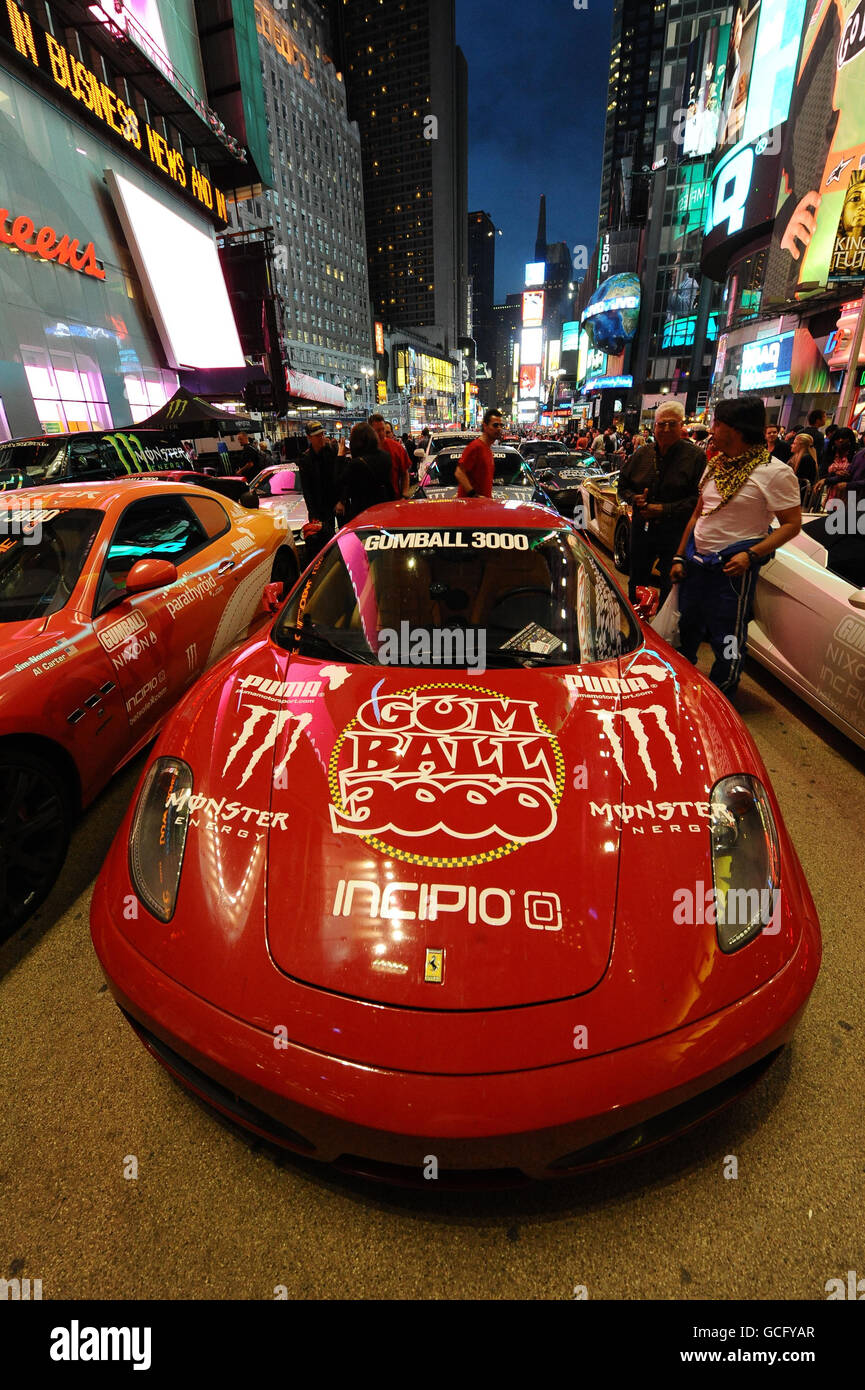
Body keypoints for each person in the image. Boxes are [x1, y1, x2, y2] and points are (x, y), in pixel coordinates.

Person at [670, 397, 802, 698]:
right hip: (696, 565)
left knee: (727, 635)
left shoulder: (775, 472)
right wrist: (680, 554)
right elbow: (698, 514)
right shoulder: (715, 464)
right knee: (686, 627)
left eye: (718, 423)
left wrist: (751, 555)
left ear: (737, 429)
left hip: (731, 572)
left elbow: (792, 524)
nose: (712, 428)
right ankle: (680, 685)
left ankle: (722, 693)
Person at [617, 400, 704, 605]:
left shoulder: (695, 457)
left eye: (672, 424)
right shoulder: (642, 454)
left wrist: (665, 509)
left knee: (669, 584)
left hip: (675, 532)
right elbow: (622, 488)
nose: (665, 429)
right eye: (661, 424)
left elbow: (699, 500)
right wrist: (633, 498)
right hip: (641, 529)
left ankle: (661, 634)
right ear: (654, 426)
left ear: (681, 426)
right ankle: (637, 625)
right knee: (637, 579)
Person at [296, 421, 340, 560]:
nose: (321, 438)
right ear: (309, 437)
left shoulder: (331, 452)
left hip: (333, 505)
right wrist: (313, 513)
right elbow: (306, 489)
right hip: (317, 509)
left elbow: (338, 478)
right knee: (319, 545)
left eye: (322, 434)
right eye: (317, 435)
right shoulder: (305, 459)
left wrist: (340, 500)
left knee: (334, 540)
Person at [337, 422, 396, 522]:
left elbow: (339, 481)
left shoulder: (356, 464)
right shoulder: (386, 456)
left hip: (363, 512)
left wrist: (340, 456)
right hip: (384, 506)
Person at [454, 408, 502, 498]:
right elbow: (459, 472)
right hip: (470, 508)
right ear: (485, 426)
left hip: (482, 507)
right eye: (495, 425)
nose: (499, 428)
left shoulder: (488, 449)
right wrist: (474, 496)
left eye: (500, 425)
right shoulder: (475, 447)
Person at [370, 413, 412, 498]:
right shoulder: (364, 449)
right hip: (371, 502)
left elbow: (405, 474)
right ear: (370, 431)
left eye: (383, 430)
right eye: (378, 430)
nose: (382, 433)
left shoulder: (397, 448)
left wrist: (404, 495)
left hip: (393, 499)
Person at [788, 432, 819, 505]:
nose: (791, 445)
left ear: (801, 445)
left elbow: (799, 480)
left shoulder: (806, 459)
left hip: (800, 497)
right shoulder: (797, 457)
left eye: (794, 443)